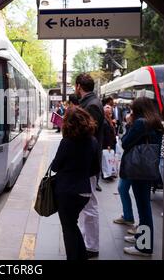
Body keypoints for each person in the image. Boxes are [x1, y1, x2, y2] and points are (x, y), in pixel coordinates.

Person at [51, 107, 100, 260]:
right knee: (72, 225)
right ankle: (82, 256)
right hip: (84, 192)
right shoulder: (93, 141)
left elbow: (55, 166)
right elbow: (95, 169)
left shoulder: (66, 142)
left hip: (67, 193)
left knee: (69, 229)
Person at [120, 97, 163, 257]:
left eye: (132, 110)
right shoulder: (155, 122)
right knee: (144, 206)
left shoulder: (140, 123)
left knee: (143, 208)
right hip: (148, 168)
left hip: (139, 170)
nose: (131, 113)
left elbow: (125, 142)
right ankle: (141, 236)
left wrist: (129, 124)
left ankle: (144, 246)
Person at [74, 73, 104, 258]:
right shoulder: (91, 103)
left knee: (90, 204)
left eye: (74, 86)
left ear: (79, 86)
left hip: (88, 163)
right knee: (87, 203)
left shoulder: (91, 106)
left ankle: (92, 246)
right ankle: (88, 241)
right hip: (87, 162)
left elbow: (88, 136)